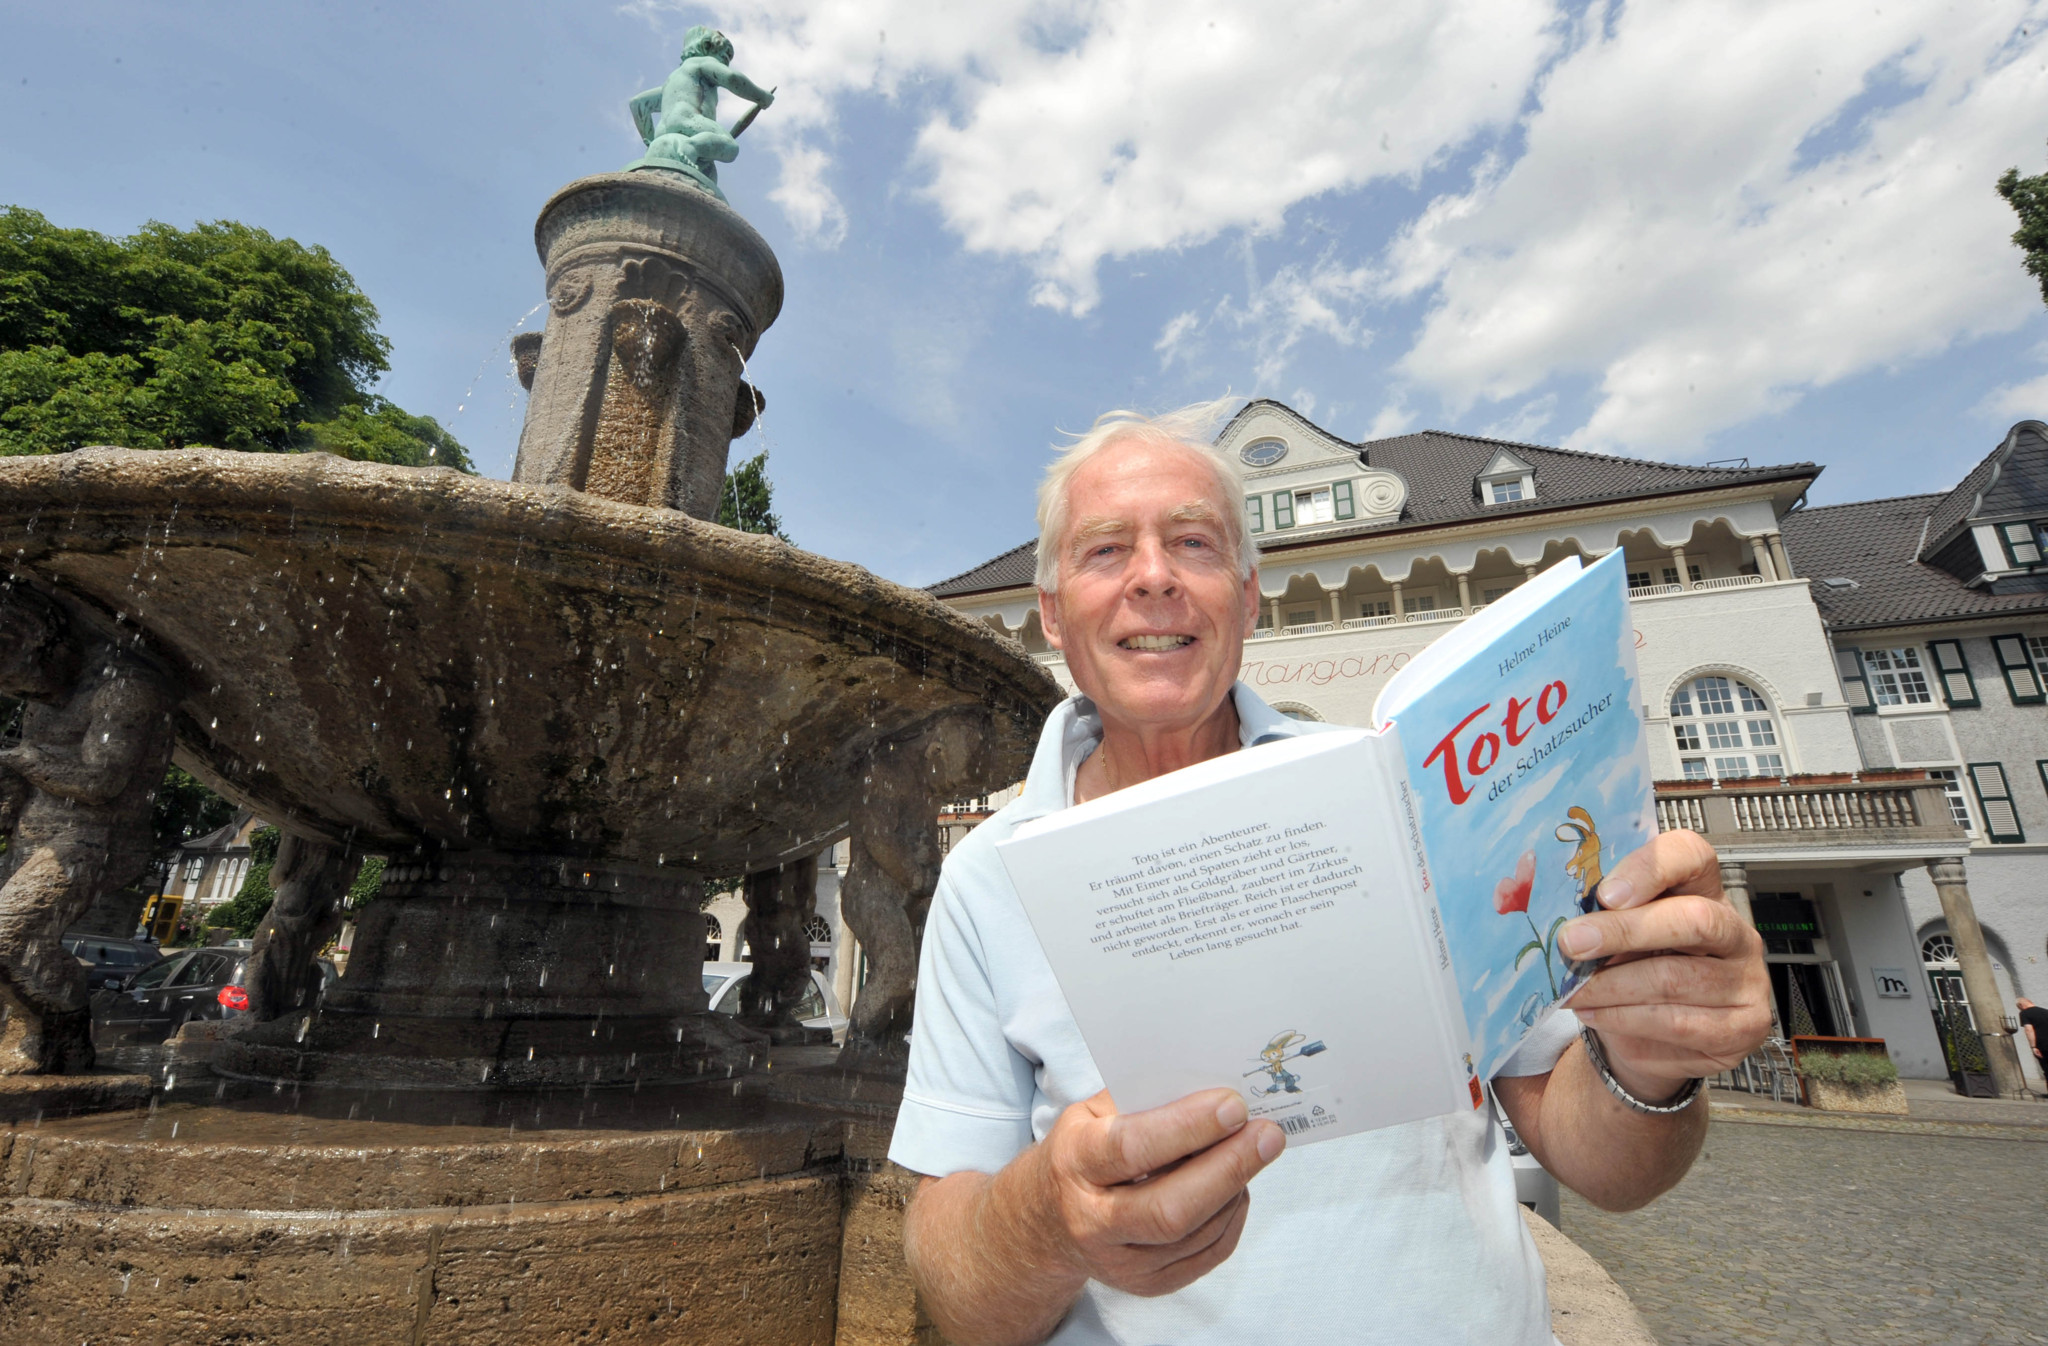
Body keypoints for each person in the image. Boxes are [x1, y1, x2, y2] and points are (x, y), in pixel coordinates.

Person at [888, 400, 1774, 1345]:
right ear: (1053, 615)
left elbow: (1605, 1164)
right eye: (1106, 550)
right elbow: (955, 1292)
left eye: (1192, 544)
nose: (1153, 577)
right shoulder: (986, 876)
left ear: (1247, 596)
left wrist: (1650, 1065)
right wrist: (1050, 1221)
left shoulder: (1401, 797)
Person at [2018, 998, 2048, 1091]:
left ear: (2021, 1005)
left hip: (2042, 1045)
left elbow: (2029, 1029)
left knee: (2046, 1068)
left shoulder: (2024, 1013)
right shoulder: (2045, 1011)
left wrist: (2033, 1046)